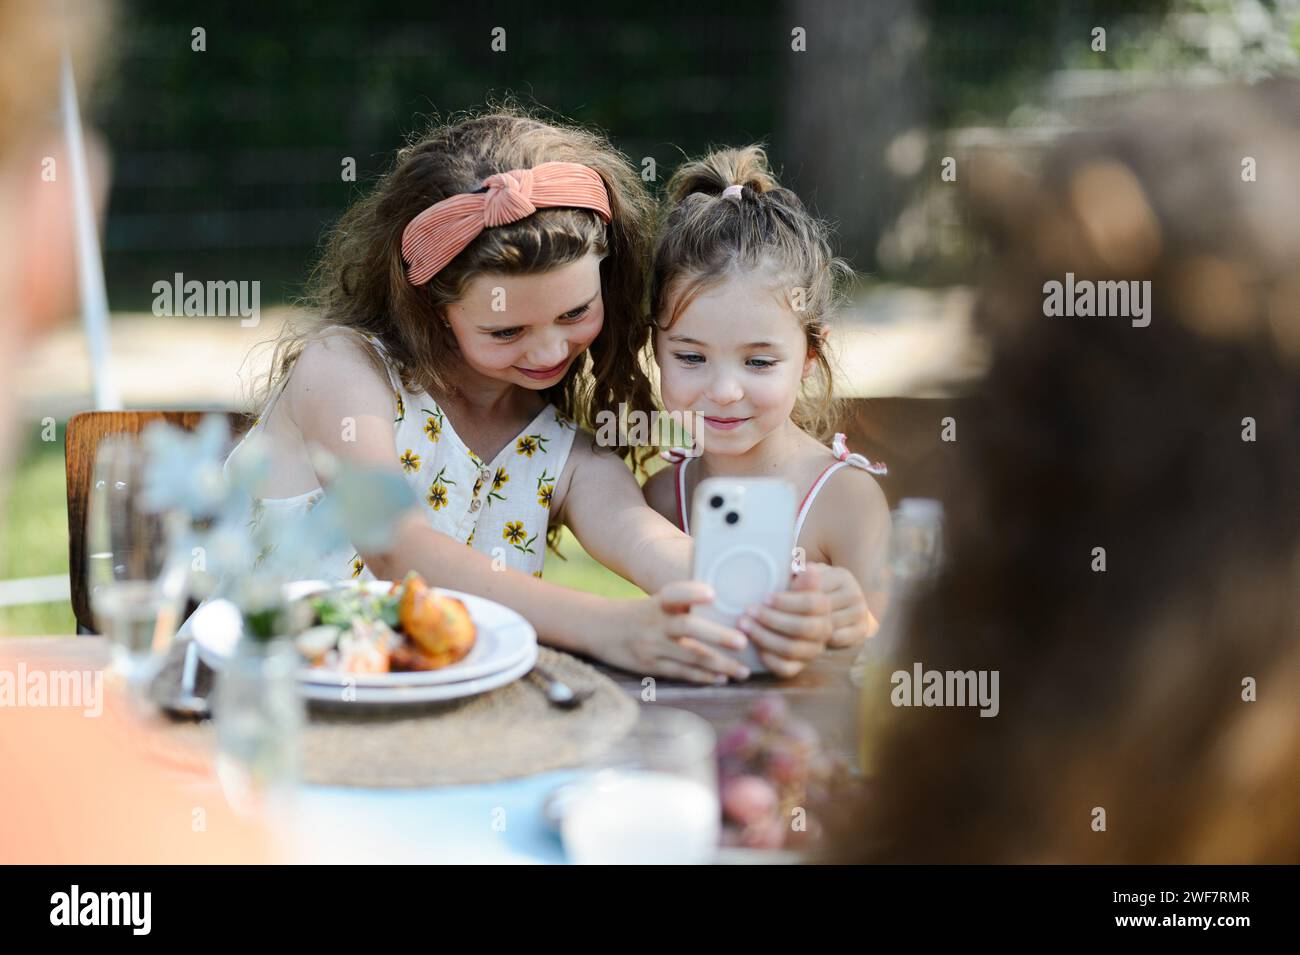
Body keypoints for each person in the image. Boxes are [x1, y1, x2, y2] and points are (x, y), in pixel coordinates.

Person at [642, 146, 890, 674]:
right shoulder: (662, 498)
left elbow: (891, 669)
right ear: (656, 349)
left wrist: (853, 624)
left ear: (809, 356)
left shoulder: (846, 500)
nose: (725, 390)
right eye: (690, 357)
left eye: (758, 361)